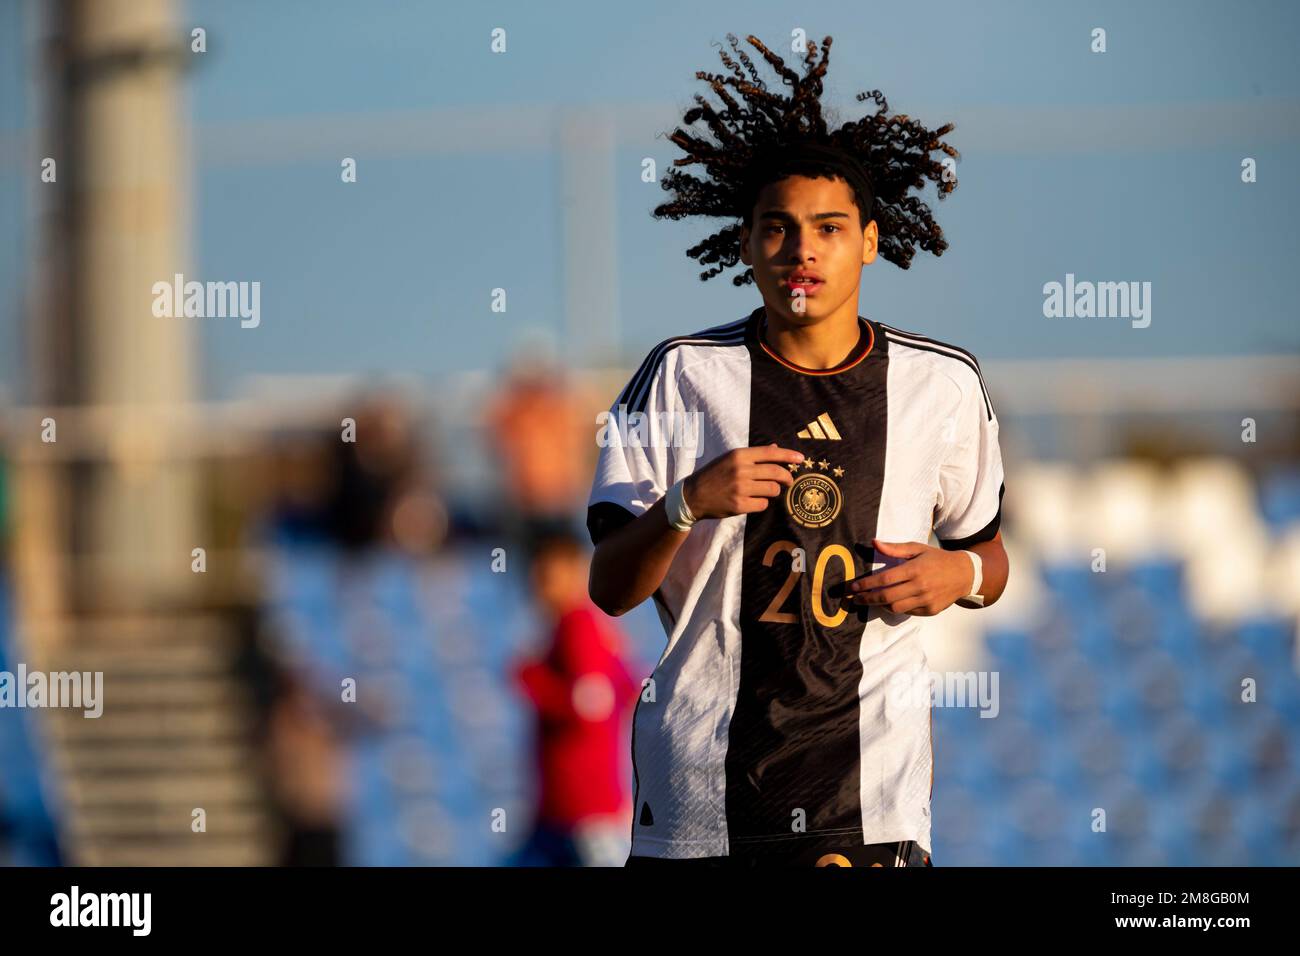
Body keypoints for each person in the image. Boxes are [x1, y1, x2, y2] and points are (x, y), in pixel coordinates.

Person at [586, 33, 1009, 868]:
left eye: (828, 228)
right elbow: (607, 588)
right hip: (701, 788)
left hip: (872, 792)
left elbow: (989, 557)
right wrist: (686, 503)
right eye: (777, 230)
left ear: (872, 241)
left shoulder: (942, 384)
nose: (802, 251)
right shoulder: (681, 374)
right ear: (746, 245)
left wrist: (956, 577)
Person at [511, 529, 640, 866]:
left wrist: (533, 680)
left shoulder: (578, 624)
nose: (539, 582)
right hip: (562, 814)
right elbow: (631, 691)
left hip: (585, 817)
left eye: (548, 572)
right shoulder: (587, 628)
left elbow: (592, 709)